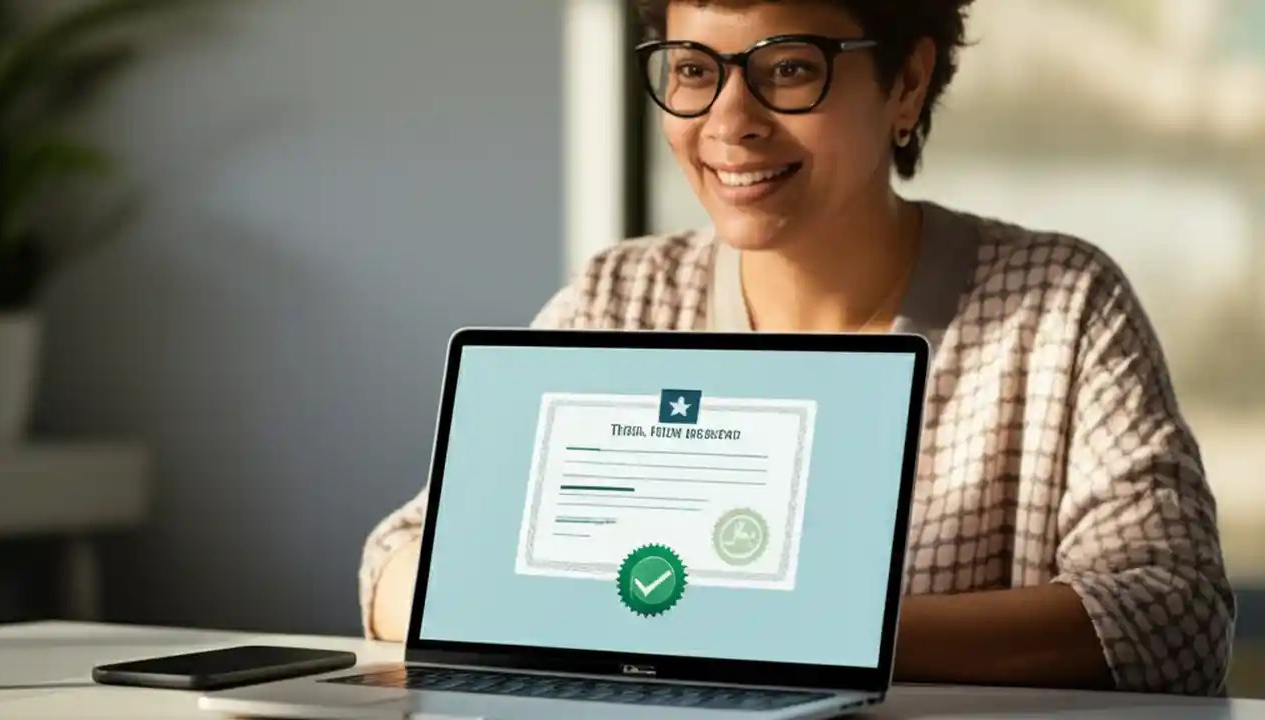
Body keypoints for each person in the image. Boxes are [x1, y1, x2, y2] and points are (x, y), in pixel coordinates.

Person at [359, 0, 1235, 696]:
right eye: (695, 71)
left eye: (787, 70)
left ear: (908, 83)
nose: (729, 121)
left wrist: (793, 639)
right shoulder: (620, 299)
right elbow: (398, 562)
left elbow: (1171, 613)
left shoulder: (1060, 308)